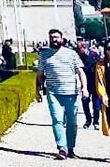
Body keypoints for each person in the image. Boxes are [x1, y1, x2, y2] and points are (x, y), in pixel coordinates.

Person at [37, 28, 89, 160]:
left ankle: (70, 148)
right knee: (57, 120)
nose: (54, 39)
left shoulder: (71, 54)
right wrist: (36, 90)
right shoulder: (44, 55)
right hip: (53, 92)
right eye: (51, 37)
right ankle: (62, 148)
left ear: (62, 39)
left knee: (72, 122)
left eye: (56, 37)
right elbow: (40, 75)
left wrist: (85, 88)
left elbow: (81, 72)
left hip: (71, 92)